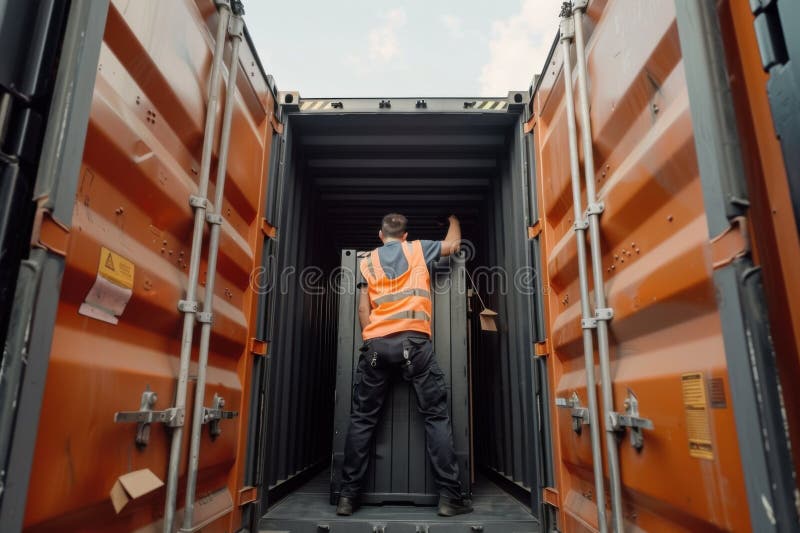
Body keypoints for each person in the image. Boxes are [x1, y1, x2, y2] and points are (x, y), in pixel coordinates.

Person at [336, 213, 473, 517]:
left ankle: (347, 498)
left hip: (376, 346)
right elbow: (454, 243)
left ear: (380, 234)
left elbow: (363, 307)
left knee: (362, 419)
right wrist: (452, 218)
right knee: (435, 417)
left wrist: (370, 342)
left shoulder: (367, 260)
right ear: (406, 235)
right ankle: (450, 498)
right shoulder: (417, 249)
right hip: (415, 343)